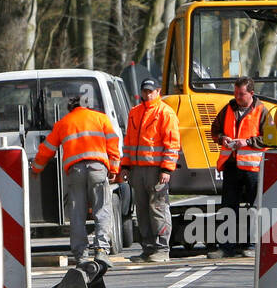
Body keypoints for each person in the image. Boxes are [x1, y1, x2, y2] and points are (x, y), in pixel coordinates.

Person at [32, 94, 122, 263]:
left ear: (70, 108)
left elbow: (47, 149)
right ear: (87, 106)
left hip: (76, 171)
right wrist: (114, 168)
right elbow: (113, 144)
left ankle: (81, 255)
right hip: (97, 168)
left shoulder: (63, 123)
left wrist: (36, 168)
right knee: (101, 209)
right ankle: (101, 249)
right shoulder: (100, 118)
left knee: (77, 213)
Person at [207, 77, 270, 258]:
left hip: (253, 168)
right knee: (228, 207)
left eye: (241, 94)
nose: (238, 97)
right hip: (232, 166)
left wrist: (248, 142)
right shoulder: (228, 109)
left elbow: (271, 138)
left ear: (251, 93)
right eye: (236, 93)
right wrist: (222, 139)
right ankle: (227, 247)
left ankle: (251, 245)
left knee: (254, 207)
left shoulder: (262, 111)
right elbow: (215, 130)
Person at [120, 79, 180, 263]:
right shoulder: (135, 112)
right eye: (145, 91)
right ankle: (147, 248)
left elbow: (172, 144)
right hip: (138, 169)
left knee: (158, 208)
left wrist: (166, 169)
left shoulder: (165, 112)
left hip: (156, 170)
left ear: (158, 91)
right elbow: (129, 142)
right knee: (142, 210)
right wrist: (126, 166)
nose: (147, 94)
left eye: (151, 91)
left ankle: (162, 248)